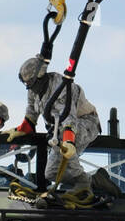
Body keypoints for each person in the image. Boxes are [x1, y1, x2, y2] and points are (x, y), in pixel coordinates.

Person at [8, 57, 101, 193]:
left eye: (30, 82)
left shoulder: (62, 87)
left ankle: (83, 183)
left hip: (86, 123)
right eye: (26, 83)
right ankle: (95, 181)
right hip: (59, 130)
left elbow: (69, 117)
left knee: (65, 142)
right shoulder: (33, 90)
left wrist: (69, 140)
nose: (28, 87)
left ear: (40, 77)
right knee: (51, 173)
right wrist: (21, 129)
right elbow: (31, 112)